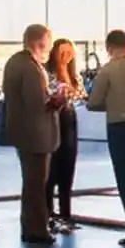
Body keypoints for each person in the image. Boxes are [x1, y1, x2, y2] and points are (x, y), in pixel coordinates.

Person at [85, 30, 125, 247]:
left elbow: (93, 102)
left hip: (119, 129)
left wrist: (112, 103)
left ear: (108, 48)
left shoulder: (106, 71)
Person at [3, 24, 64, 245]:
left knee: (31, 183)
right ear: (42, 40)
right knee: (36, 184)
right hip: (36, 134)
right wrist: (58, 99)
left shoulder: (14, 62)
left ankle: (30, 226)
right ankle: (36, 229)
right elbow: (38, 103)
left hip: (23, 132)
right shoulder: (30, 67)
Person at [46, 39, 86, 233]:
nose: (66, 57)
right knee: (51, 170)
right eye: (62, 53)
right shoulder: (46, 73)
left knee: (68, 169)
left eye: (69, 53)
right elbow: (52, 94)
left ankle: (66, 214)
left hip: (69, 121)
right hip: (53, 121)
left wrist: (66, 75)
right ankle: (48, 214)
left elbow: (78, 95)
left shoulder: (74, 75)